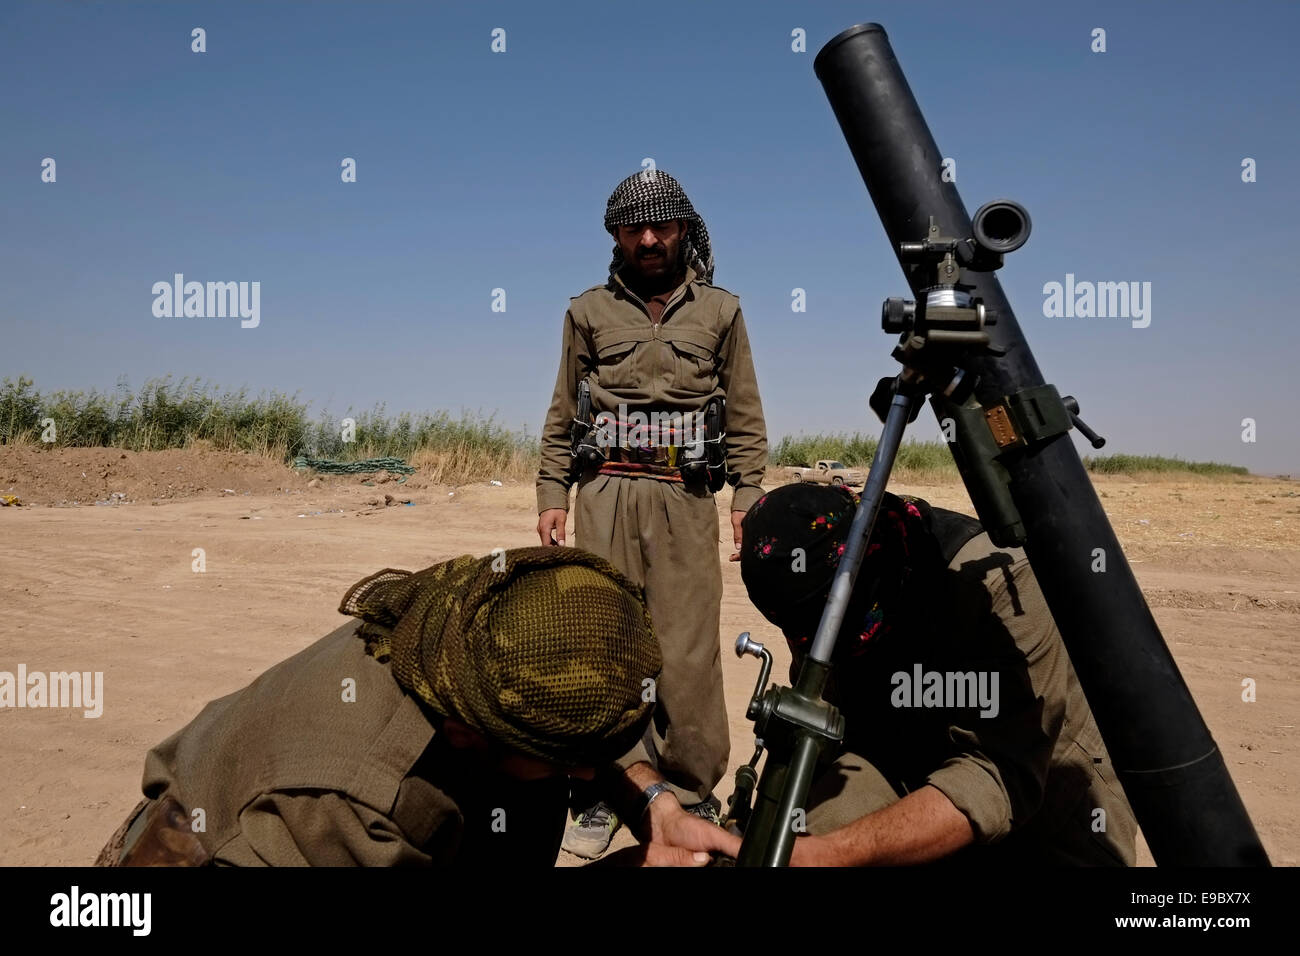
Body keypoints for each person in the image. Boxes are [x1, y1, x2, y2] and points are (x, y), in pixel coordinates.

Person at [95, 547, 729, 867]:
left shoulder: (478, 630)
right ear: (463, 733)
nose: (592, 774)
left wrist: (654, 804)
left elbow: (570, 710)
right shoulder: (349, 808)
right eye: (569, 761)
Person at [536, 168, 768, 858]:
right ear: (615, 235)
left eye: (660, 226)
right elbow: (559, 413)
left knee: (688, 652)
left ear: (682, 228)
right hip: (603, 493)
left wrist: (747, 497)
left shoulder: (721, 312)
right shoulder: (587, 311)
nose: (647, 238)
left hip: (686, 497)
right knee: (605, 646)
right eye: (634, 228)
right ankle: (608, 792)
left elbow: (747, 414)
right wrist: (553, 493)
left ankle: (693, 792)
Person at [738, 483, 1139, 866]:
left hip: (1045, 791)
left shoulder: (1001, 585)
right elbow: (828, 716)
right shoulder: (808, 595)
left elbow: (1001, 775)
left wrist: (835, 853)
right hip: (899, 757)